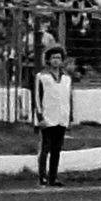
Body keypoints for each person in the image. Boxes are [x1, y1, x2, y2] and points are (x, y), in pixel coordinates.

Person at [33, 47, 74, 187]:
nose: (56, 60)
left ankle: (53, 176)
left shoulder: (67, 78)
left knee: (57, 149)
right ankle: (42, 176)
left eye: (59, 58)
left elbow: (69, 98)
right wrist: (40, 117)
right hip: (47, 117)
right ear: (49, 60)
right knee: (45, 148)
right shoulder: (42, 77)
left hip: (62, 117)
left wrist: (70, 117)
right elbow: (37, 98)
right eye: (53, 58)